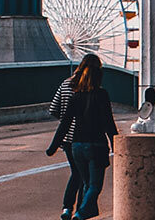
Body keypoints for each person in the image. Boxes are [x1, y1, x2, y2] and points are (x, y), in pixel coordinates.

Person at [46, 53, 117, 220]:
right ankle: (81, 213)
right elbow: (109, 123)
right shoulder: (101, 94)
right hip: (96, 144)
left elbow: (62, 120)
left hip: (74, 143)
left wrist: (53, 146)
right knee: (94, 185)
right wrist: (116, 144)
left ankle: (69, 209)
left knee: (81, 179)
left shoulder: (72, 91)